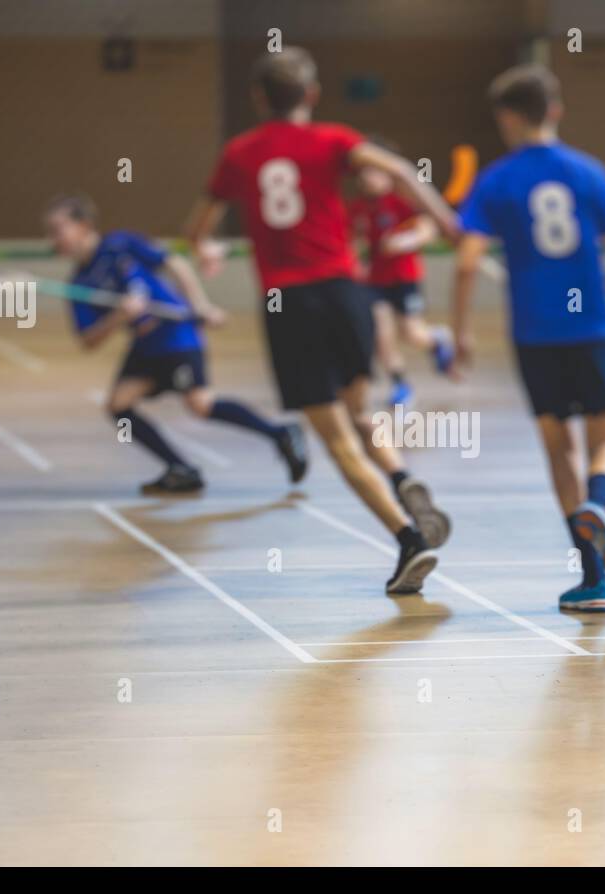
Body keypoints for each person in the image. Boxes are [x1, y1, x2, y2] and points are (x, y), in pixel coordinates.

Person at [184, 48, 460, 595]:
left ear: (258, 99)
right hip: (344, 293)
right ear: (311, 95)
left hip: (289, 301)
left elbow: (198, 227)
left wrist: (208, 251)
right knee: (360, 412)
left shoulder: (239, 153)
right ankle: (404, 479)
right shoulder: (335, 140)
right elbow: (401, 170)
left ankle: (409, 539)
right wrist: (447, 222)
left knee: (336, 439)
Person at [450, 64, 605, 613]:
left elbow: (467, 263)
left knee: (559, 448)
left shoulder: (497, 180)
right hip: (591, 330)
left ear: (506, 117)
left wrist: (461, 334)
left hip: (535, 334)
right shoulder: (589, 172)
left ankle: (592, 580)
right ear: (556, 110)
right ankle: (602, 505)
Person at [44, 193, 307, 494]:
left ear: (84, 225)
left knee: (201, 404)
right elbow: (87, 341)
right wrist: (119, 316)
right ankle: (180, 468)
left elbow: (175, 263)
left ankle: (281, 433)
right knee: (119, 404)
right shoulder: (79, 283)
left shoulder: (121, 245)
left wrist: (201, 306)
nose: (54, 239)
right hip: (144, 344)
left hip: (176, 334)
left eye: (58, 229)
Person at [347, 137, 454, 409]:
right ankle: (399, 384)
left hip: (404, 277)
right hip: (373, 282)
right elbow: (354, 240)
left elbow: (426, 230)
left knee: (412, 333)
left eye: (374, 171)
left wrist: (403, 242)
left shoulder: (402, 201)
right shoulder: (357, 207)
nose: (367, 178)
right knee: (380, 332)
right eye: (363, 173)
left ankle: (436, 340)